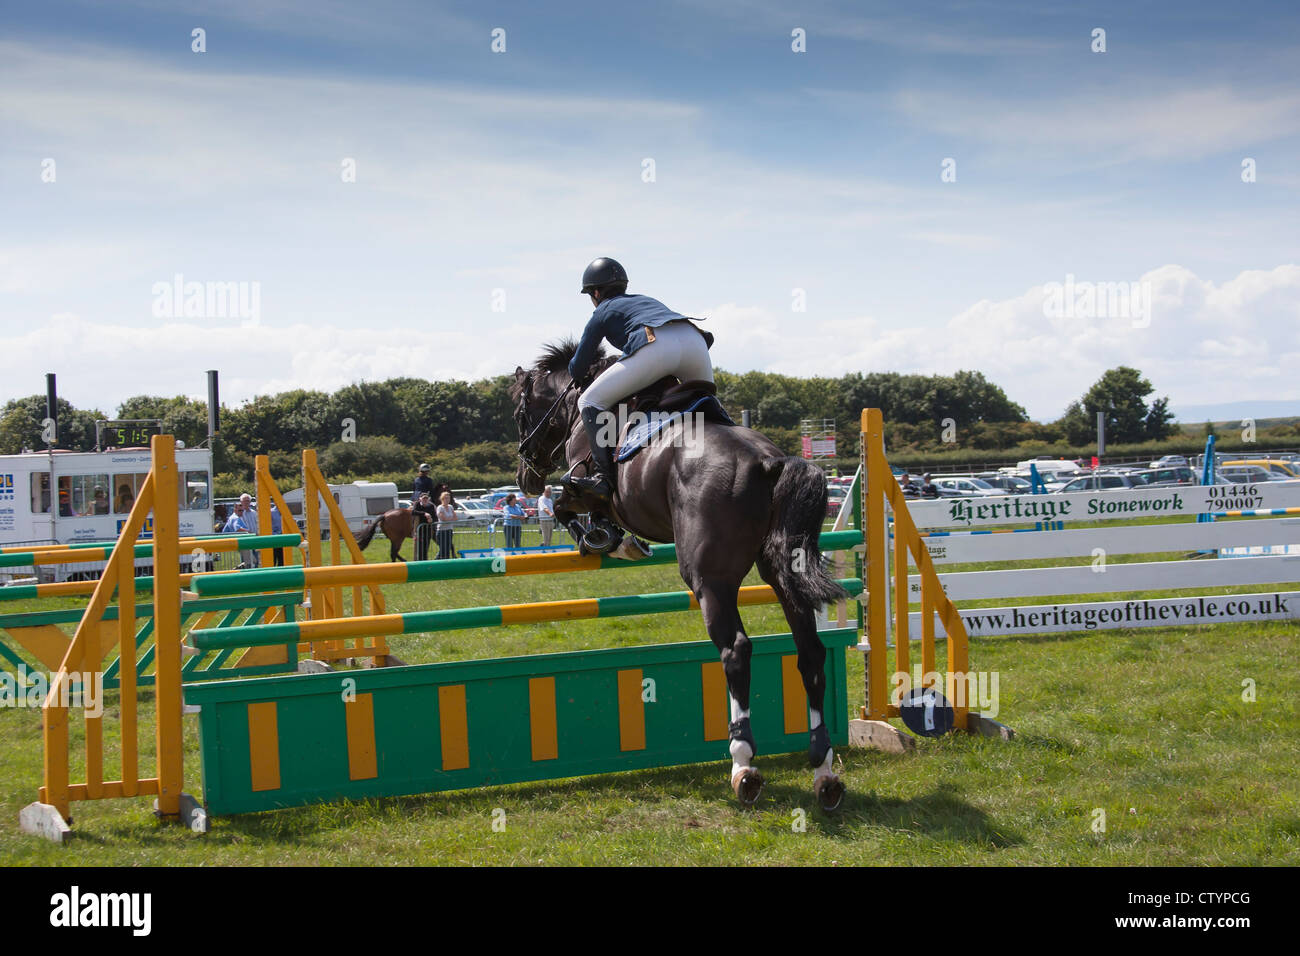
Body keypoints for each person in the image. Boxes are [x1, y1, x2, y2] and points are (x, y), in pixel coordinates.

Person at [565, 257, 715, 505]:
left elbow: (578, 366)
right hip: (693, 340)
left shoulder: (602, 310)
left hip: (656, 344)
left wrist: (577, 372)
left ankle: (603, 478)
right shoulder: (645, 300)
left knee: (589, 401)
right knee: (707, 403)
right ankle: (734, 434)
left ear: (596, 292)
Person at [412, 492, 437, 561]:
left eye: (426, 498)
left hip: (428, 529)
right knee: (420, 548)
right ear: (420, 499)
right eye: (423, 498)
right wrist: (424, 514)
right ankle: (419, 562)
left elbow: (435, 517)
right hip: (419, 530)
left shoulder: (431, 506)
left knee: (426, 548)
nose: (425, 500)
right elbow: (413, 512)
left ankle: (425, 562)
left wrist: (431, 519)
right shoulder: (417, 504)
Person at [435, 491, 457, 560]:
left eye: (448, 498)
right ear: (442, 499)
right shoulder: (440, 508)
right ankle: (435, 561)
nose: (447, 500)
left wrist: (449, 519)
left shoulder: (451, 507)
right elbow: (443, 519)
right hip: (441, 531)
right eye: (445, 498)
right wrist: (451, 519)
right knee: (443, 549)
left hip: (449, 530)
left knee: (448, 548)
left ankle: (446, 562)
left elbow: (455, 518)